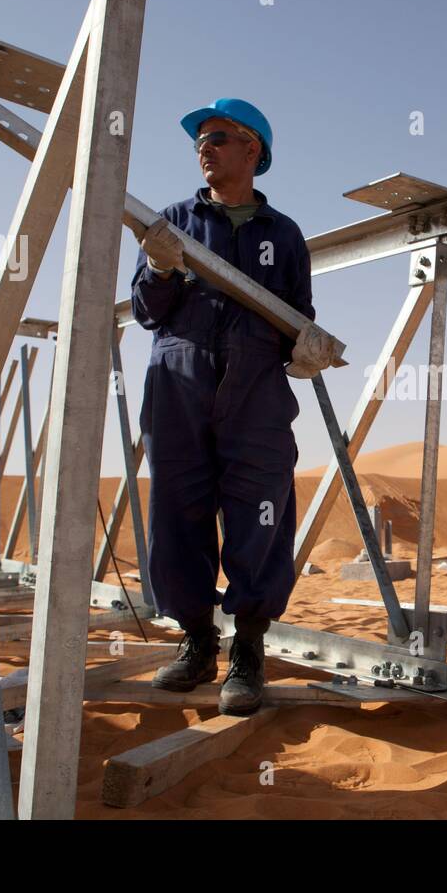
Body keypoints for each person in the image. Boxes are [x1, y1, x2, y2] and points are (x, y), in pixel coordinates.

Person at [130, 97, 334, 715]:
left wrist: (307, 345)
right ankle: (196, 643)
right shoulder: (170, 221)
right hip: (180, 378)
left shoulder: (284, 234)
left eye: (217, 137)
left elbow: (300, 312)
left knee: (261, 510)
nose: (204, 147)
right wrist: (161, 272)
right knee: (178, 510)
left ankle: (248, 648)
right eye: (199, 140)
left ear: (253, 150)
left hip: (257, 392)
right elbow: (145, 311)